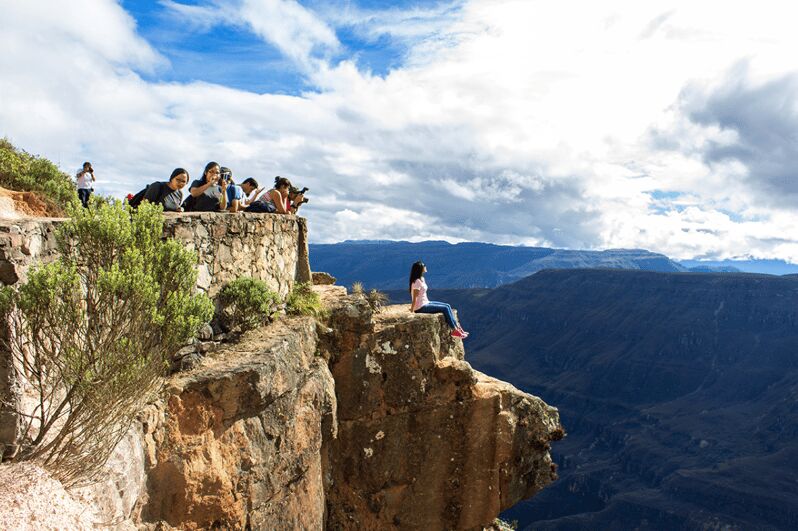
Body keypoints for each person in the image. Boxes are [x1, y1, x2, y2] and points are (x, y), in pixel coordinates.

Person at [409, 261, 469, 338]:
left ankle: (458, 328)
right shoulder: (416, 281)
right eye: (424, 265)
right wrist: (412, 309)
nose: (425, 266)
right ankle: (454, 330)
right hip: (420, 307)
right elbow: (415, 297)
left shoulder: (422, 279)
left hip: (426, 302)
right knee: (444, 308)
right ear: (420, 269)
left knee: (447, 305)